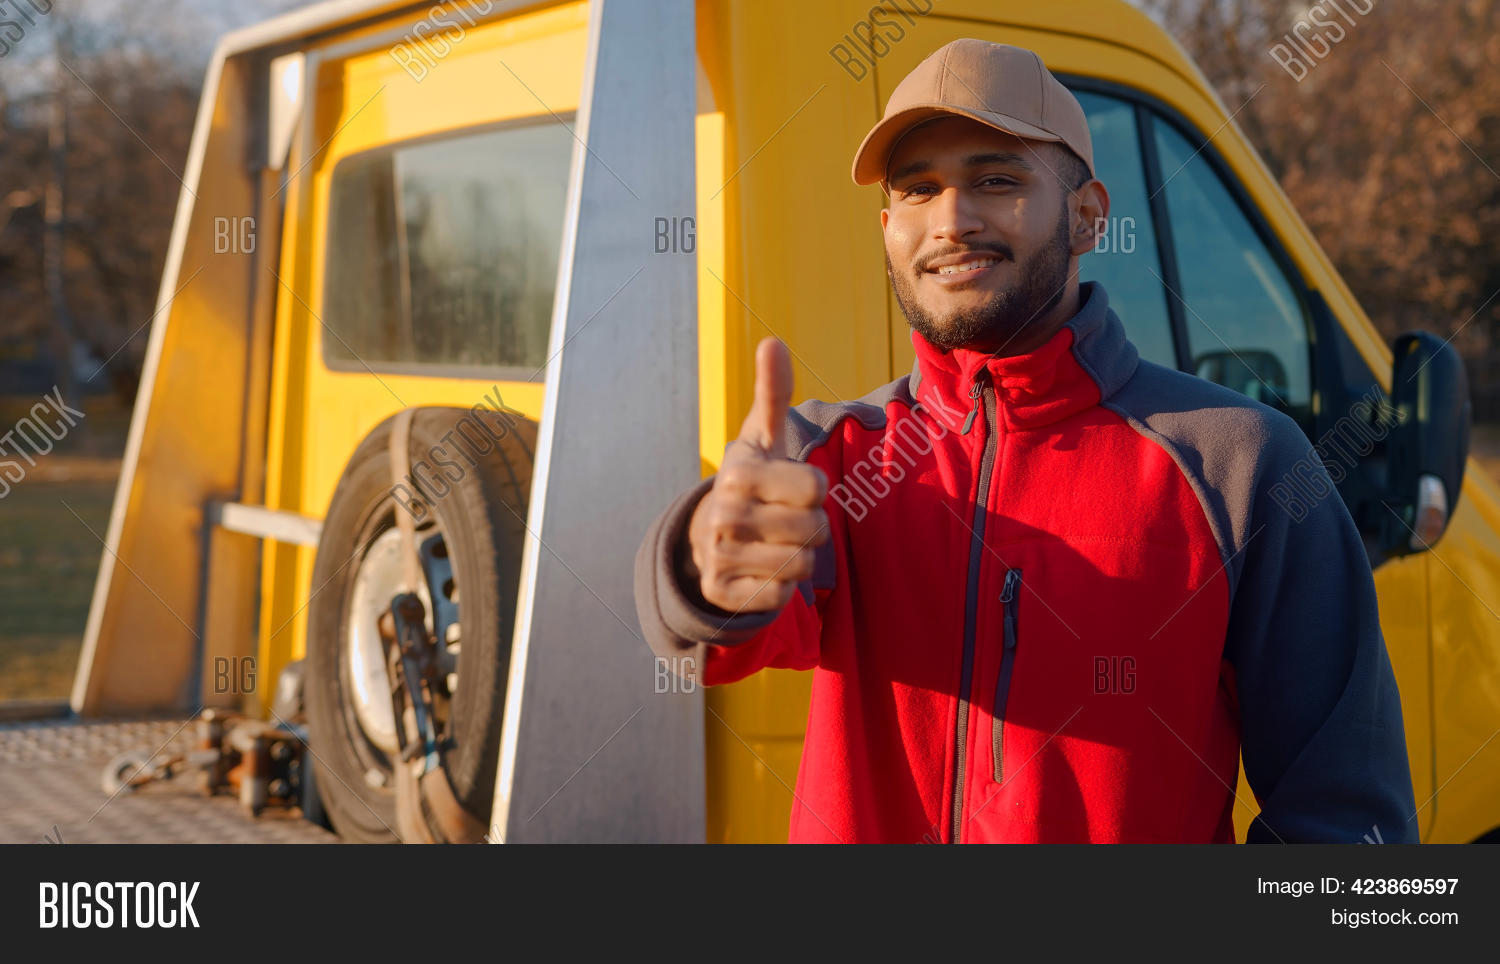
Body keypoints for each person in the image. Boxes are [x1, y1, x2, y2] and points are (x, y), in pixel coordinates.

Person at [634, 39, 1416, 843]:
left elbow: (1343, 818)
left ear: (1087, 215)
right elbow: (720, 640)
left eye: (996, 180)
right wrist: (707, 564)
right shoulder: (829, 457)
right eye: (918, 190)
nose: (951, 220)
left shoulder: (1241, 463)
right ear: (887, 228)